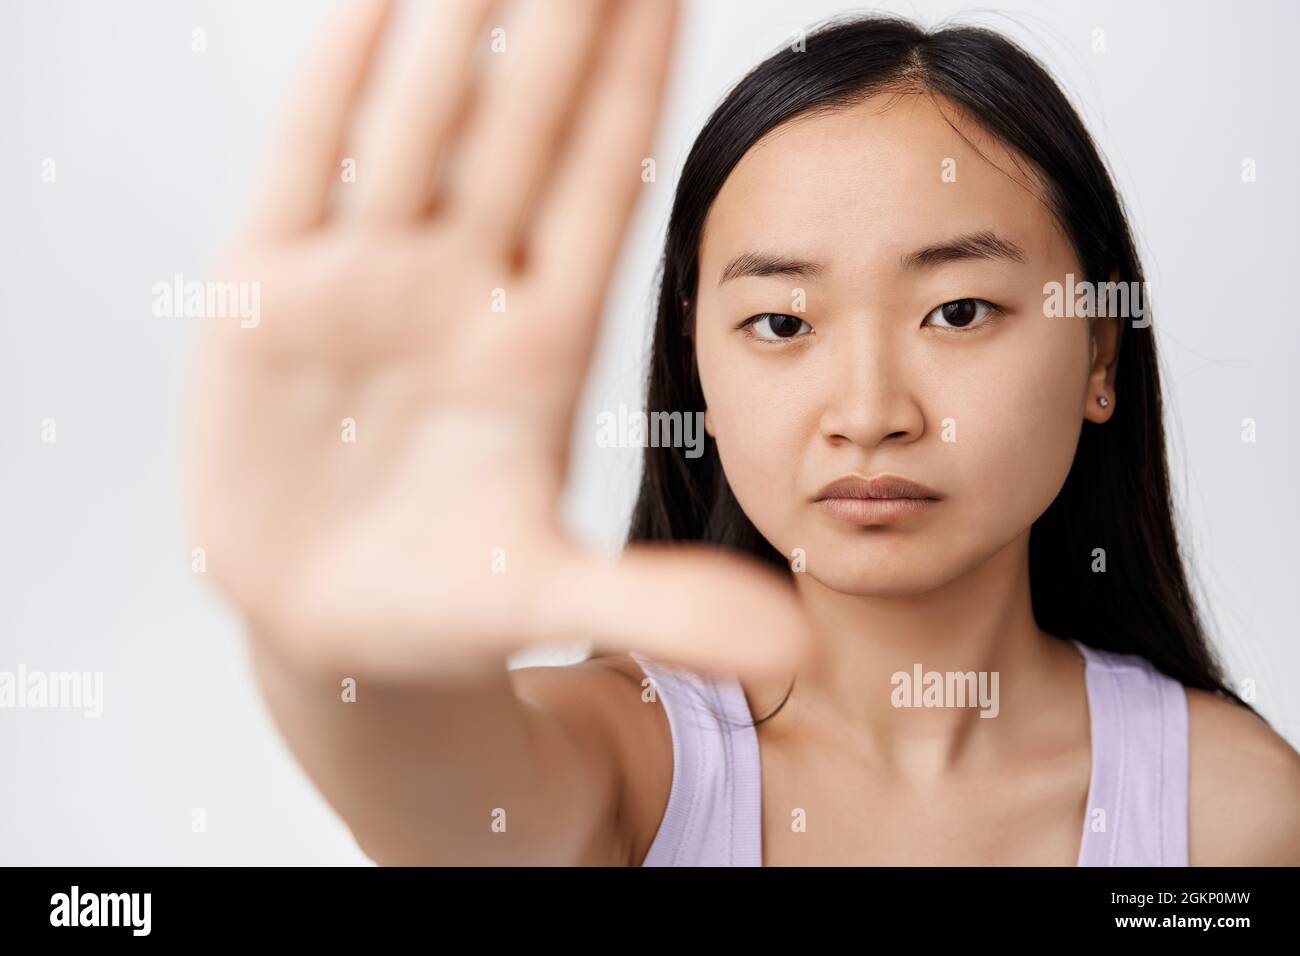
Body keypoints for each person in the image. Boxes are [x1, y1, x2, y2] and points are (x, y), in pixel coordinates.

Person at [185, 0, 1300, 865]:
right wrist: (325, 647)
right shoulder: (637, 764)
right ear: (700, 366)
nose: (869, 413)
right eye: (779, 322)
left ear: (1097, 353)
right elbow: (451, 793)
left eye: (958, 311)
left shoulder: (1230, 810)